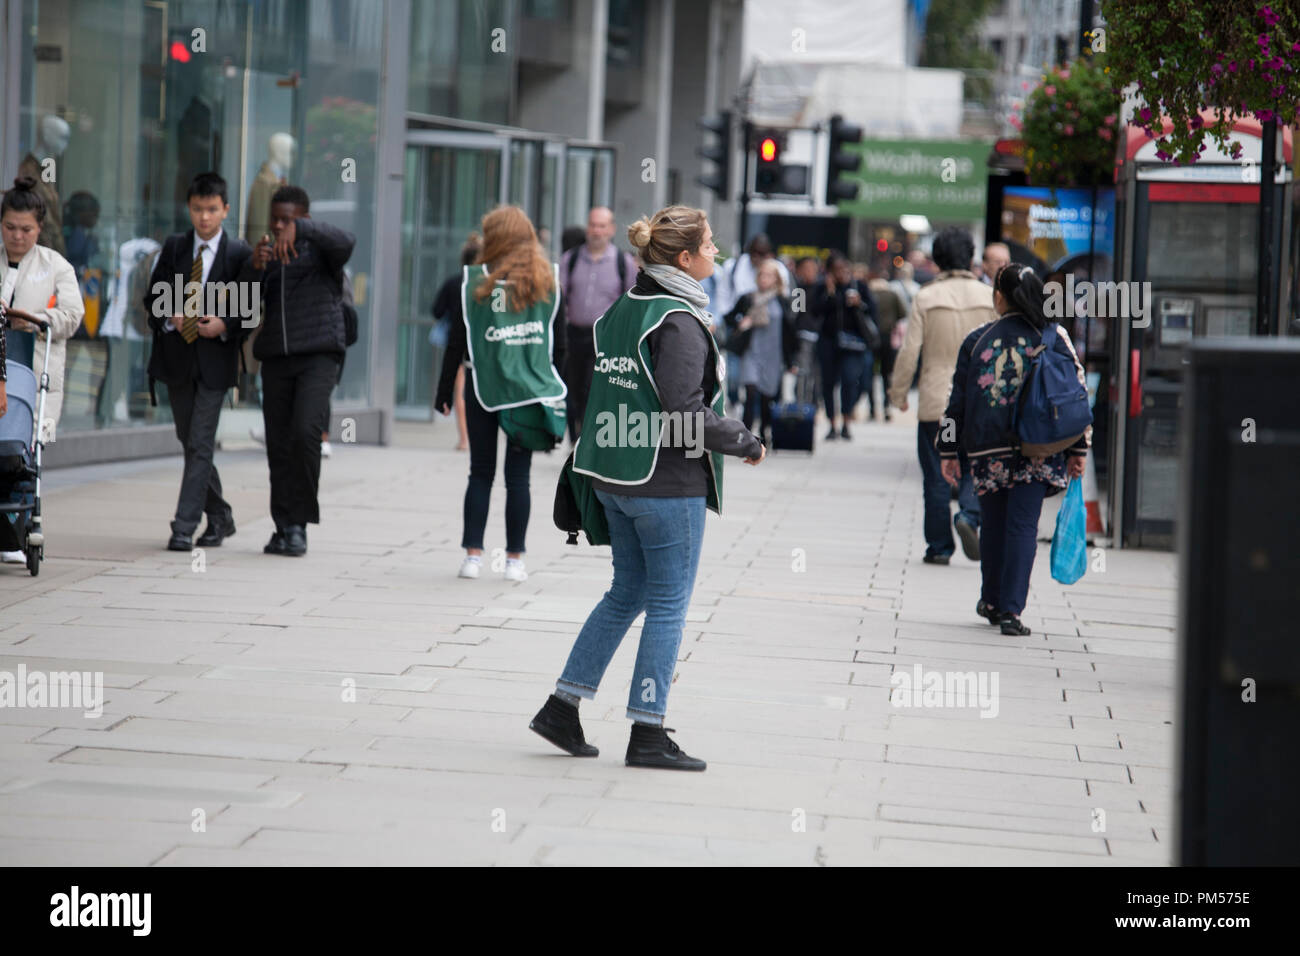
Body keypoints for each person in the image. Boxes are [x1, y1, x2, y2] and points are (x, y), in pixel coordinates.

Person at [530, 203, 766, 771]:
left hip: (614, 475)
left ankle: (563, 707)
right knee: (667, 606)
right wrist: (743, 439)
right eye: (710, 245)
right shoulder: (679, 321)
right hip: (665, 483)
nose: (718, 252)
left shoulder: (622, 309)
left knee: (626, 594)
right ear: (684, 258)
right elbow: (685, 414)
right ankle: (648, 732)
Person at [938, 263, 1088, 635]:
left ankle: (990, 599)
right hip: (1039, 447)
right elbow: (1076, 396)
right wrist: (1079, 449)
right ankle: (1011, 611)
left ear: (999, 296)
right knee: (1023, 526)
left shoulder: (977, 339)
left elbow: (955, 402)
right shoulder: (1054, 335)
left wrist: (947, 451)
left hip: (988, 449)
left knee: (993, 524)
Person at [434, 205, 567, 582]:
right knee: (518, 477)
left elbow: (458, 343)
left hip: (482, 387)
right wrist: (553, 385)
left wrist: (445, 390)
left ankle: (473, 557)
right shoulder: (547, 283)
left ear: (494, 239)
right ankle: (514, 560)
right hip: (527, 390)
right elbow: (559, 346)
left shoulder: (476, 283)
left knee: (480, 472)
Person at [238, 184, 355, 557]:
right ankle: (282, 525)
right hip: (275, 359)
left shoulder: (323, 251)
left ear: (303, 218)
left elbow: (347, 241)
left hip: (319, 355)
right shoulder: (268, 256)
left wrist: (303, 231)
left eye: (286, 219)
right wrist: (255, 270)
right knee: (278, 445)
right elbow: (245, 306)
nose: (277, 225)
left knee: (306, 432)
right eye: (274, 218)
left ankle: (299, 525)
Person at [143, 172, 253, 552]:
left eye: (211, 210)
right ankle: (220, 514)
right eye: (197, 209)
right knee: (189, 441)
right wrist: (169, 312)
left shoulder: (238, 254)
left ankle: (183, 526)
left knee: (201, 441)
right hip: (177, 359)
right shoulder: (174, 248)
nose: (204, 217)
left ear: (225, 210)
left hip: (215, 363)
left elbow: (250, 309)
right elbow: (152, 300)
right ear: (188, 209)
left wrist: (223, 324)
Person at [888, 227, 994, 566]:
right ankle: (969, 514)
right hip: (979, 400)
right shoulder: (989, 296)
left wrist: (898, 393)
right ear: (971, 256)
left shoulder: (926, 297)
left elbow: (910, 351)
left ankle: (939, 546)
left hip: (937, 403)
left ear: (937, 259)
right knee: (974, 462)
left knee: (935, 473)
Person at [0, 176, 85, 562]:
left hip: (31, 367)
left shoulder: (56, 266)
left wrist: (36, 318)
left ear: (40, 228)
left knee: (23, 448)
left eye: (26, 230)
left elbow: (72, 316)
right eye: (10, 228)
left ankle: (19, 527)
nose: (17, 237)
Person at [559, 206, 637, 442]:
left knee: (593, 390)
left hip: (605, 339)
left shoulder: (623, 263)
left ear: (611, 229)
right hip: (573, 335)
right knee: (571, 390)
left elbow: (631, 302)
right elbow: (558, 296)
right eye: (593, 225)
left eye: (602, 226)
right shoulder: (570, 259)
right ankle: (575, 439)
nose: (596, 231)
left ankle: (588, 440)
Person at [723, 258, 797, 446]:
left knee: (767, 397)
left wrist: (791, 362)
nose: (765, 279)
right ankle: (747, 436)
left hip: (773, 355)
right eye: (762, 275)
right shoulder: (749, 298)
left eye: (769, 275)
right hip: (752, 352)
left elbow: (789, 333)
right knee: (751, 391)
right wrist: (742, 321)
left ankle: (765, 431)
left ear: (777, 279)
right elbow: (729, 317)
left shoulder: (782, 301)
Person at [813, 251, 879, 440]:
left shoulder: (860, 287)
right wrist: (830, 294)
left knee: (850, 381)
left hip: (854, 344)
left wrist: (860, 303)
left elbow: (873, 313)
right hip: (828, 342)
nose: (842, 273)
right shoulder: (823, 287)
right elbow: (813, 311)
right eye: (837, 270)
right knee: (828, 383)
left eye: (844, 269)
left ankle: (847, 421)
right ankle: (833, 423)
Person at [431, 232, 483, 451]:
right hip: (482, 343)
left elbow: (436, 310)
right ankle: (478, 435)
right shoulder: (484, 284)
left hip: (457, 342)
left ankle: (464, 438)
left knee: (460, 390)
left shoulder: (454, 282)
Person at [868, 261, 906, 422]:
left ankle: (871, 408)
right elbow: (902, 313)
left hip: (870, 337)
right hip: (887, 337)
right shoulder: (892, 294)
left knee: (869, 374)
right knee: (886, 374)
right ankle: (886, 405)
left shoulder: (869, 293)